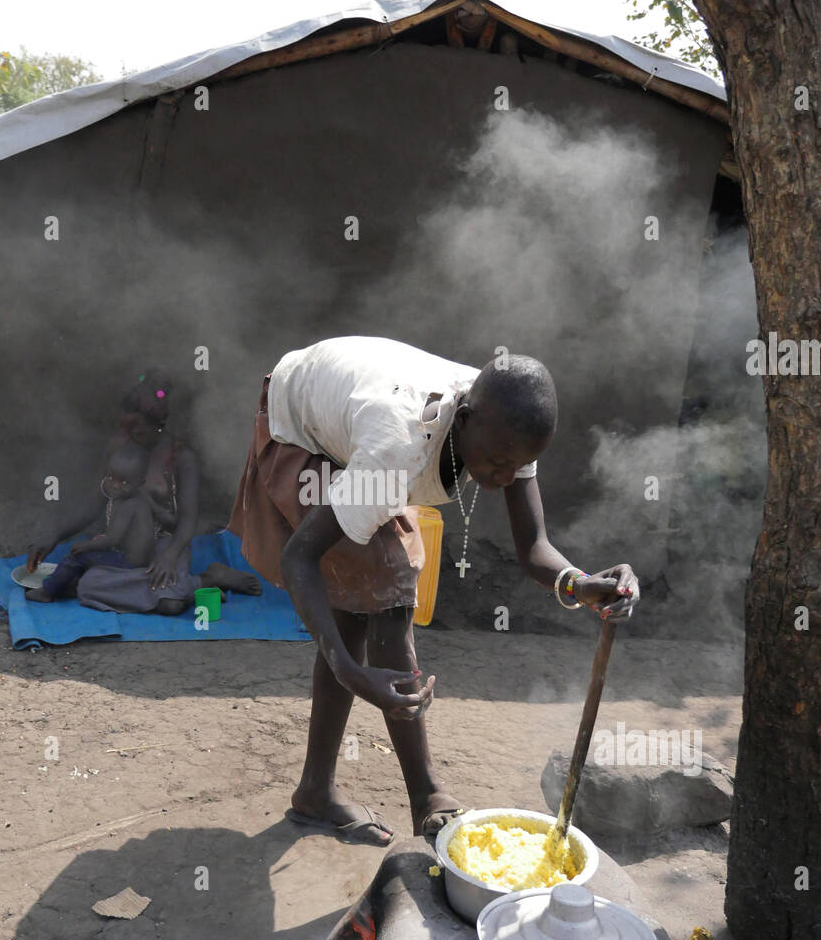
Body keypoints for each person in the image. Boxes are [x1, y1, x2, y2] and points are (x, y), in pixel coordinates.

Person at [227, 336, 639, 845]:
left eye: (518, 466)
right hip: (299, 423)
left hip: (359, 421)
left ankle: (320, 792)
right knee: (387, 590)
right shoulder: (397, 449)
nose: (504, 477)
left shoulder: (506, 429)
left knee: (363, 598)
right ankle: (424, 797)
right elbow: (300, 557)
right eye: (497, 462)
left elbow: (534, 548)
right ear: (463, 420)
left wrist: (582, 583)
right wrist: (352, 673)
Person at [26, 369, 261, 613]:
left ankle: (208, 578)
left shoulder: (180, 458)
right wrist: (54, 536)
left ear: (158, 426)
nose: (127, 437)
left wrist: (170, 556)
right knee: (92, 584)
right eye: (123, 429)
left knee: (169, 605)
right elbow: (95, 503)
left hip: (165, 543)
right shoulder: (118, 448)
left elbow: (187, 521)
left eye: (136, 431)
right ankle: (187, 585)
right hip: (123, 548)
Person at [26, 443, 155, 602]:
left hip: (129, 562)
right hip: (129, 556)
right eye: (111, 478)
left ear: (140, 484)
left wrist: (87, 545)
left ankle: (48, 591)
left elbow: (112, 539)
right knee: (89, 555)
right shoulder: (125, 497)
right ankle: (68, 586)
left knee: (76, 557)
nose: (115, 485)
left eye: (124, 482)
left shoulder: (131, 504)